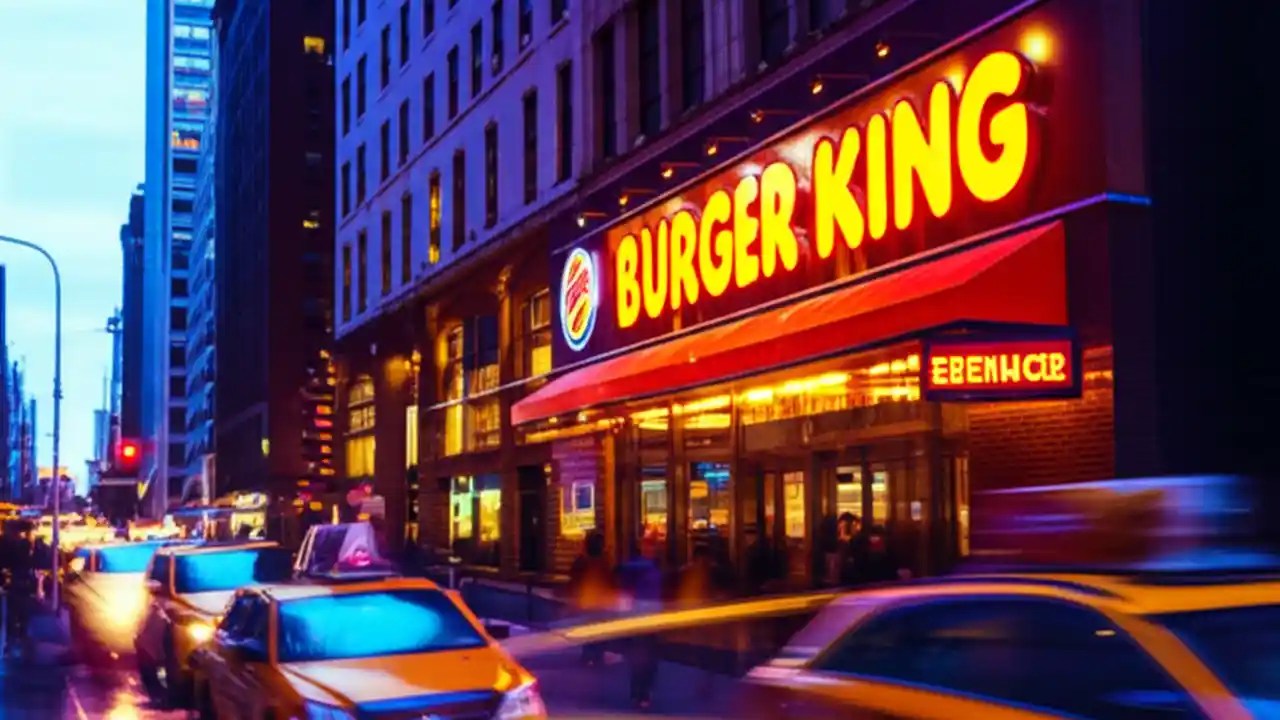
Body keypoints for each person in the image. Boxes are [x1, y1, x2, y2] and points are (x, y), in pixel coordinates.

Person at [616, 540, 663, 709]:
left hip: (651, 619)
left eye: (653, 546)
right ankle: (641, 693)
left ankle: (642, 692)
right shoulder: (638, 567)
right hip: (640, 619)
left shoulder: (653, 568)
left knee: (646, 658)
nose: (651, 549)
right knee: (643, 658)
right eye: (648, 546)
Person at [567, 531, 614, 666]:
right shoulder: (604, 562)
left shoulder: (582, 562)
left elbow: (574, 579)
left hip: (587, 603)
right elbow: (610, 581)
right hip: (600, 604)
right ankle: (596, 656)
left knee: (588, 628)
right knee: (598, 630)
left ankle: (589, 655)